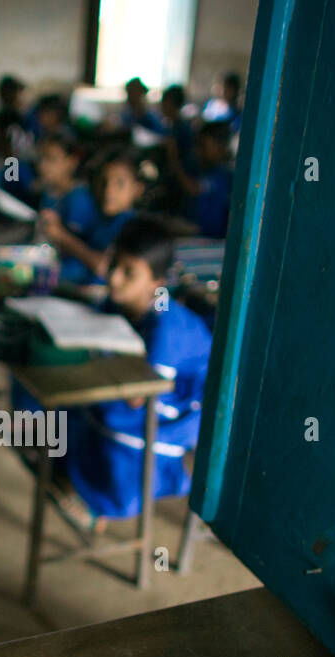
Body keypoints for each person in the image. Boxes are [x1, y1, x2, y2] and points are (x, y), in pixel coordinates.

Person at [54, 216, 213, 528]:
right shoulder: (121, 302)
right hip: (132, 390)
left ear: (157, 282)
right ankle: (78, 479)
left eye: (129, 273)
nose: (114, 278)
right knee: (72, 406)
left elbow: (138, 397)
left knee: (108, 420)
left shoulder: (167, 328)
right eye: (114, 264)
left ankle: (104, 504)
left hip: (172, 411)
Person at [42, 147, 148, 283]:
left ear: (137, 190)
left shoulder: (130, 225)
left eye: (119, 184)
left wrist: (62, 235)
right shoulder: (102, 218)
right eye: (103, 182)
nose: (108, 191)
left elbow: (103, 267)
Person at [34, 132, 100, 284]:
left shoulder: (79, 199)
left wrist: (57, 233)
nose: (42, 165)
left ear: (71, 162)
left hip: (73, 273)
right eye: (41, 158)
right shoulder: (49, 193)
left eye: (51, 159)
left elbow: (79, 249)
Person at [173, 121, 234, 239]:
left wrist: (174, 161)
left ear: (220, 146)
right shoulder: (207, 170)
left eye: (203, 146)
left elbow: (192, 188)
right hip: (200, 231)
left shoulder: (223, 173)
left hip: (211, 237)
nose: (198, 151)